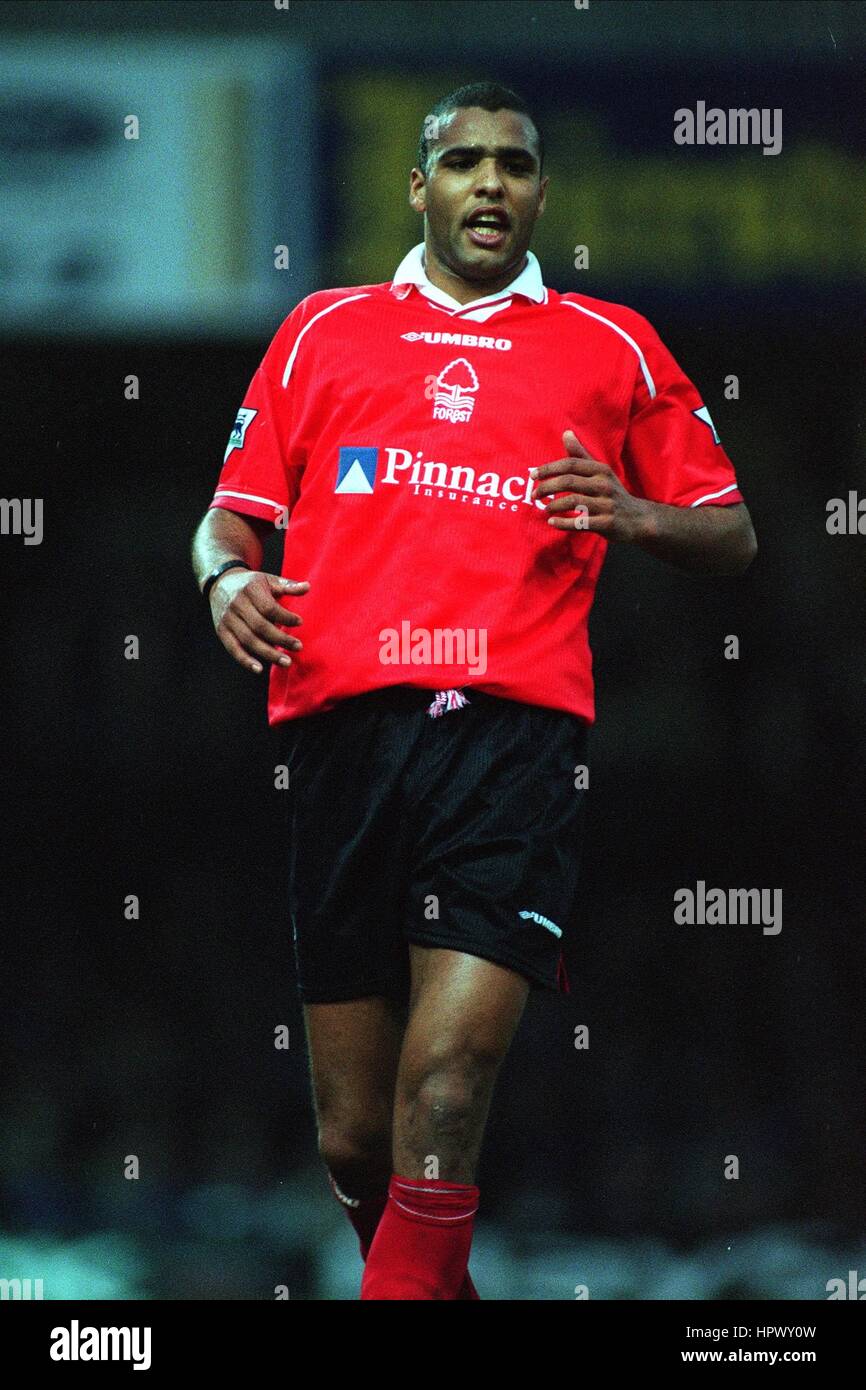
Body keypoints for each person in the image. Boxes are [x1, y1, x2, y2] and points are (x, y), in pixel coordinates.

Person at [190, 81, 757, 1300]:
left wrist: (634, 513)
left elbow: (732, 535)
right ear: (420, 186)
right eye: (463, 163)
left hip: (511, 743)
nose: (489, 184)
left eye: (513, 164)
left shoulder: (608, 344)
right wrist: (220, 582)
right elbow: (224, 524)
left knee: (445, 1085)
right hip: (341, 742)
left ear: (541, 192)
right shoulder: (320, 330)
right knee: (354, 1136)